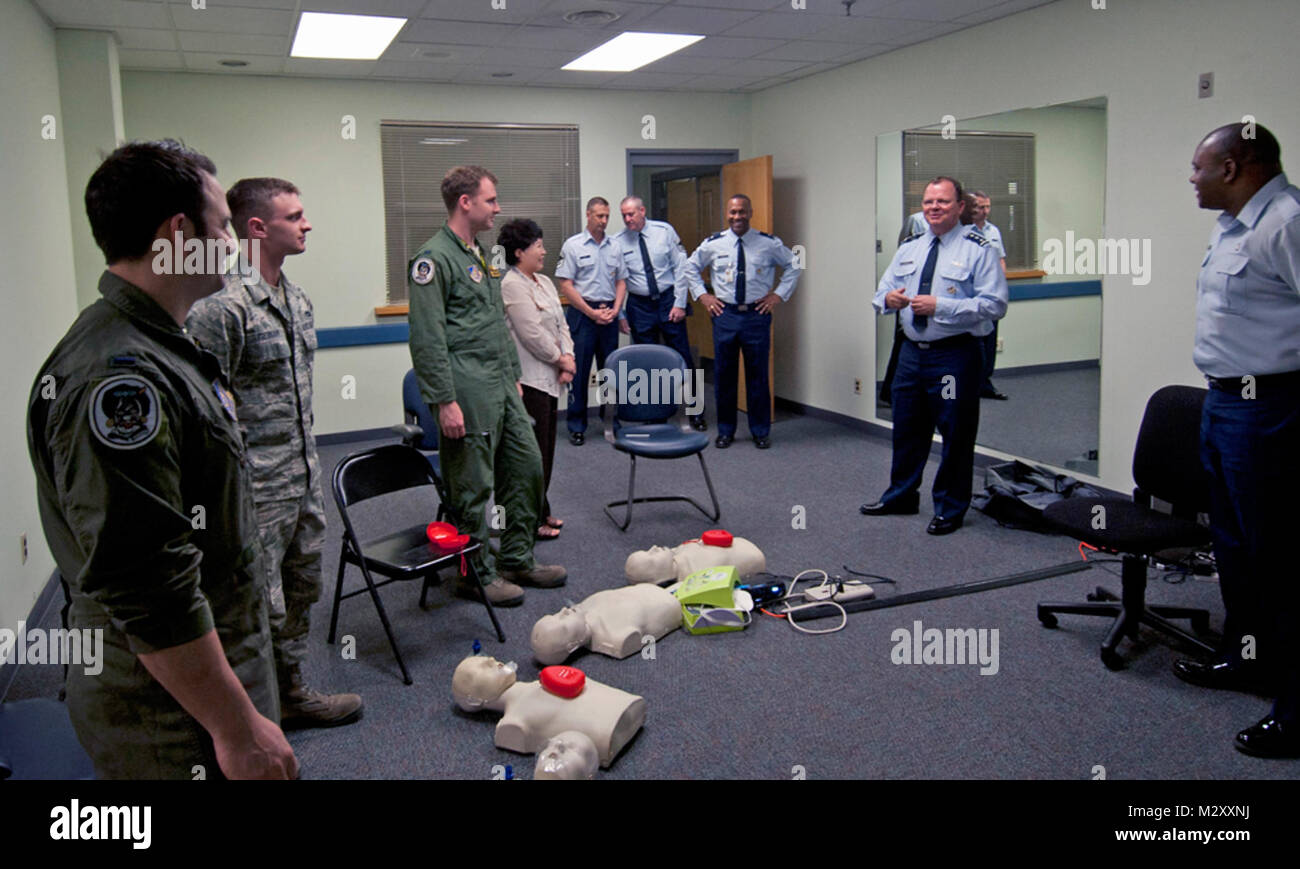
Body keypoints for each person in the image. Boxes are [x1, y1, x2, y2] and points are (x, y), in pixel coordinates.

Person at [26, 140, 296, 779]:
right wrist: (237, 729)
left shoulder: (160, 344)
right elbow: (148, 584)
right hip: (172, 712)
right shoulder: (120, 380)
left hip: (206, 670)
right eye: (224, 227)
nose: (232, 243)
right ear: (180, 232)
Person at [186, 178, 362, 729]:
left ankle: (289, 694)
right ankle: (249, 724)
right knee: (252, 606)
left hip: (302, 477)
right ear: (257, 228)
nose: (307, 224)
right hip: (252, 491)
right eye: (296, 216)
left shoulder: (295, 298)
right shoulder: (221, 307)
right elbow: (205, 416)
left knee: (301, 588)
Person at [1175, 121, 1300, 758]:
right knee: (1235, 550)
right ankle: (1249, 659)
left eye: (1198, 167)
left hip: (1273, 409)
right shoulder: (1231, 228)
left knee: (1279, 560)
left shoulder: (1286, 222)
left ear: (1232, 167)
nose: (1190, 178)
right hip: (1225, 402)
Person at [408, 165, 566, 607]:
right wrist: (443, 401)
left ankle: (516, 556)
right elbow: (427, 336)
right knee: (473, 486)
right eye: (491, 200)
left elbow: (496, 323)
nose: (497, 208)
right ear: (466, 202)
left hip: (501, 383)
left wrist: (513, 374)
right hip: (466, 386)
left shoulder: (480, 253)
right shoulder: (432, 259)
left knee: (527, 464)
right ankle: (473, 572)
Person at [862, 176, 1008, 535]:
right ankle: (901, 495)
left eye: (942, 202)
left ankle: (950, 506)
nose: (933, 208)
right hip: (912, 355)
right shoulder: (910, 247)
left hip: (952, 358)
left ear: (960, 207)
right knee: (908, 429)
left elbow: (995, 304)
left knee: (954, 431)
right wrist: (889, 301)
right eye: (928, 202)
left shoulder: (979, 248)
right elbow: (879, 293)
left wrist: (942, 305)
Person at [684, 194, 801, 449]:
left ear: (751, 212)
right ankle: (726, 430)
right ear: (727, 214)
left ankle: (760, 431)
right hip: (724, 315)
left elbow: (795, 264)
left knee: (757, 376)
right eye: (733, 212)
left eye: (742, 212)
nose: (737, 217)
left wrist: (778, 295)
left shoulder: (768, 243)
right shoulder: (714, 244)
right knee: (724, 376)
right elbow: (689, 267)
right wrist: (703, 295)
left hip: (755, 315)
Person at [497, 218, 575, 541]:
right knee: (530, 457)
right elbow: (531, 334)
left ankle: (540, 510)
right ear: (519, 252)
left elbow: (561, 326)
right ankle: (527, 520)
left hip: (551, 380)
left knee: (547, 451)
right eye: (538, 245)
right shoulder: (511, 285)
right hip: (528, 382)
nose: (544, 251)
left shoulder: (543, 281)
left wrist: (568, 358)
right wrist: (560, 358)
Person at [614, 195, 707, 431]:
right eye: (624, 215)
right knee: (649, 363)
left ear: (642, 211)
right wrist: (621, 314)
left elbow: (681, 268)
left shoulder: (664, 231)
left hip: (668, 300)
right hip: (639, 305)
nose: (627, 219)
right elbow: (617, 280)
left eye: (631, 214)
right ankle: (655, 414)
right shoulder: (618, 241)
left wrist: (679, 303)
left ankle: (696, 411)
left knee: (683, 357)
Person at [556, 197, 627, 446]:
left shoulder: (615, 246)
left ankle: (611, 420)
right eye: (599, 216)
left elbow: (621, 280)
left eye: (607, 216)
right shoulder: (573, 245)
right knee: (580, 371)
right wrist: (590, 312)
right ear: (588, 215)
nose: (604, 221)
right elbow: (565, 284)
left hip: (608, 312)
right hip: (582, 315)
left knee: (611, 370)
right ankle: (577, 425)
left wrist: (616, 309)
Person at [968, 190, 1009, 400]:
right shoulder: (964, 231)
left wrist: (1001, 283)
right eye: (980, 207)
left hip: (992, 293)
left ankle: (985, 382)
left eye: (987, 207)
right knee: (973, 340)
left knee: (990, 340)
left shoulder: (993, 231)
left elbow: (1000, 258)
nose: (985, 211)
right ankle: (970, 384)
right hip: (971, 294)